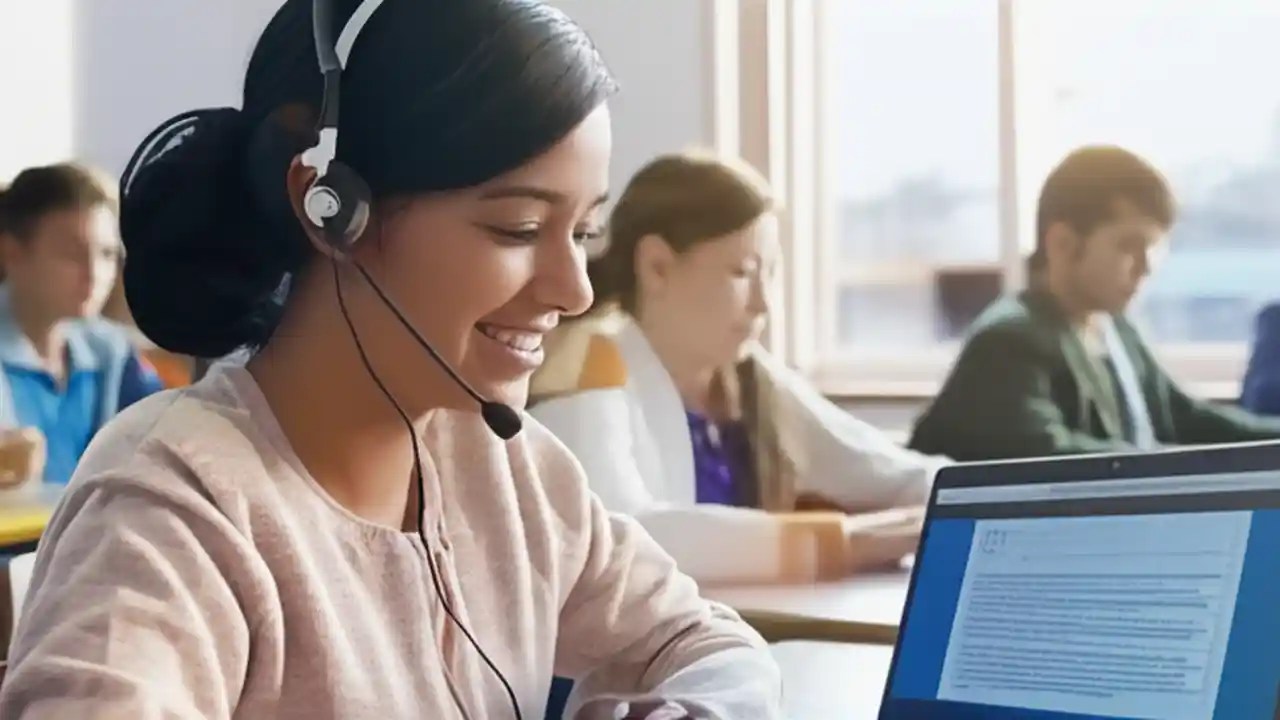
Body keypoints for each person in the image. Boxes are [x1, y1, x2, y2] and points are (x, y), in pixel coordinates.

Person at [0, 2, 781, 719]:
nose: (574, 290)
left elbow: (709, 644)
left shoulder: (508, 474)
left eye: (581, 234)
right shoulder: (172, 509)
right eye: (517, 227)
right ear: (328, 206)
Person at [530, 152, 946, 585]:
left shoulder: (746, 375)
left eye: (770, 275)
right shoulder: (587, 359)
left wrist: (990, 500)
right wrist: (847, 540)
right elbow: (621, 535)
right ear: (656, 266)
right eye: (742, 272)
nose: (763, 303)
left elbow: (890, 473)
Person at [910, 145, 1280, 460]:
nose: (1146, 267)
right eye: (1127, 246)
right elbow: (1047, 456)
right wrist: (1170, 471)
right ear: (1063, 244)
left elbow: (1186, 418)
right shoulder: (1009, 340)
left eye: (1153, 248)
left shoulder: (1111, 325)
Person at [0, 163, 164, 485]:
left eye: (106, 254)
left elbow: (164, 438)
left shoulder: (112, 352)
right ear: (11, 253)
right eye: (71, 255)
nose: (94, 275)